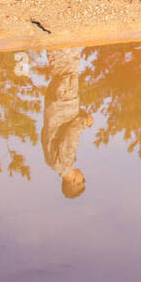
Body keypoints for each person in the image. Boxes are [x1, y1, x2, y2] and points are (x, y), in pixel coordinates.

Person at [41, 48, 93, 199]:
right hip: (54, 103)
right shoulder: (51, 163)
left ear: (75, 183)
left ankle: (55, 33)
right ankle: (53, 38)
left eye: (83, 180)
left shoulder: (66, 162)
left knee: (69, 62)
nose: (83, 176)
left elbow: (72, 131)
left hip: (64, 101)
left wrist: (86, 122)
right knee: (60, 69)